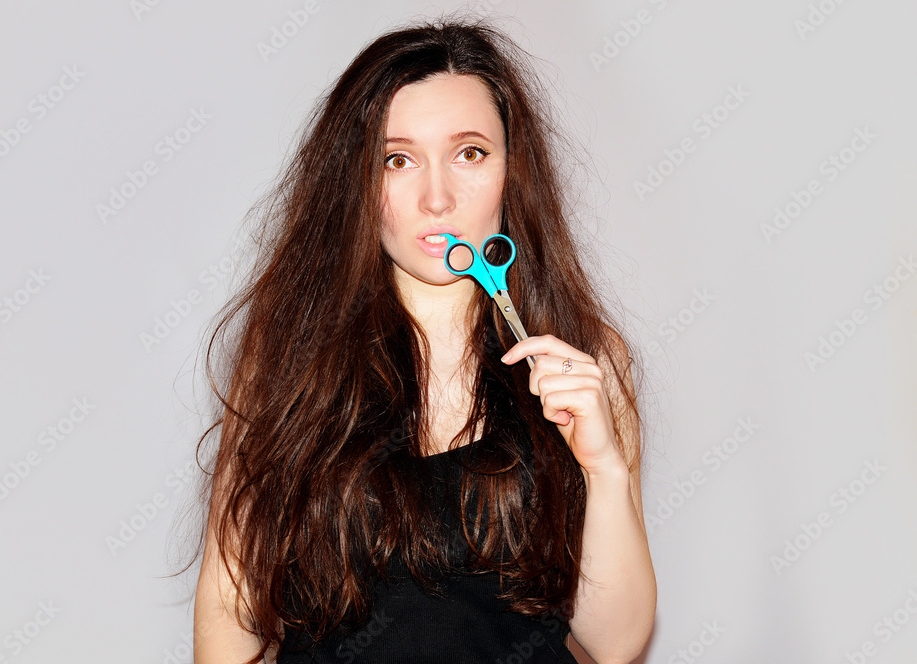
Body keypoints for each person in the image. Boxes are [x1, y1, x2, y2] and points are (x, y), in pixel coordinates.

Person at [191, 14, 656, 664]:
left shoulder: (586, 355)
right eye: (398, 159)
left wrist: (602, 469)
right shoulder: (288, 351)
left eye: (470, 153)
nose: (437, 197)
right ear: (356, 180)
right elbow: (229, 599)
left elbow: (615, 643)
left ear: (512, 170)